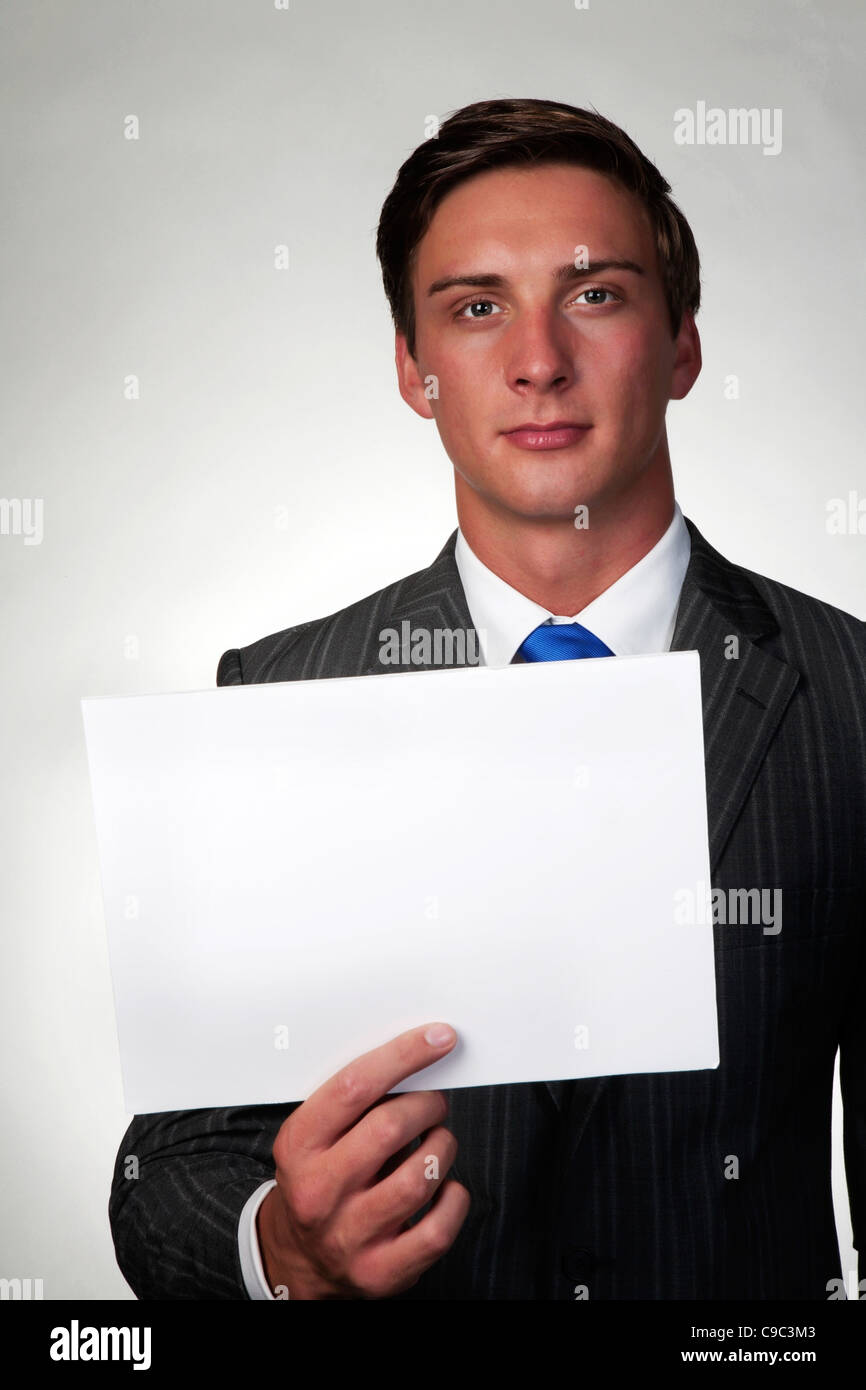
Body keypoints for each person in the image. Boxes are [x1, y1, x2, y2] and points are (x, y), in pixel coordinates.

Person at [109, 97, 866, 1300]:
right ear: (415, 371)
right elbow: (167, 1174)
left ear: (681, 343)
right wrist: (282, 1247)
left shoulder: (849, 698)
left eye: (596, 293)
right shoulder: (278, 696)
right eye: (474, 308)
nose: (535, 360)